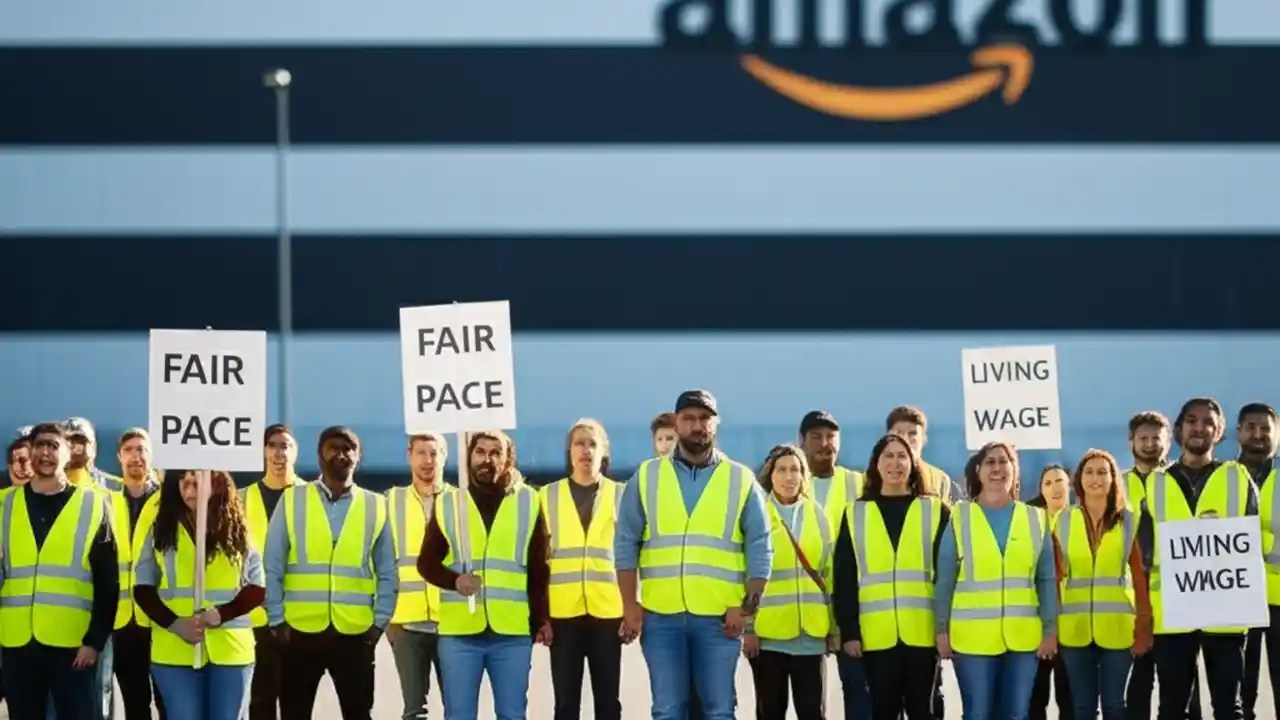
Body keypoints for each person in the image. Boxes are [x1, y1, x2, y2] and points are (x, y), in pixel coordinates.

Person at [615, 389, 773, 720]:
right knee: (668, 709)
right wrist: (630, 605)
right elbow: (625, 543)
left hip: (719, 620)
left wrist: (746, 610)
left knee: (719, 711)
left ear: (716, 424)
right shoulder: (646, 477)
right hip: (661, 617)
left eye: (705, 418)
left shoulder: (740, 479)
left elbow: (760, 545)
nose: (697, 425)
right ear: (676, 422)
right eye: (689, 418)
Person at [265, 426, 398, 720]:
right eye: (333, 448)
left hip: (355, 633)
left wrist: (378, 622)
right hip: (299, 632)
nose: (341, 454)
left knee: (358, 713)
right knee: (293, 714)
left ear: (358, 456)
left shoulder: (377, 505)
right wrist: (276, 619)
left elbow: (388, 570)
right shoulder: (292, 499)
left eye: (348, 448)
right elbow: (272, 564)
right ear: (319, 455)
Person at [418, 430, 551, 720]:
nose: (486, 459)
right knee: (460, 715)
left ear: (507, 459)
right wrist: (455, 581)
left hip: (512, 633)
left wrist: (542, 618)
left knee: (512, 715)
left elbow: (539, 568)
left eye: (495, 453)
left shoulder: (529, 501)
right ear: (469, 457)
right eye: (480, 452)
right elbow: (426, 563)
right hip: (460, 634)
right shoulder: (450, 502)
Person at [1139, 397, 1258, 720]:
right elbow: (1144, 551)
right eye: (1192, 420)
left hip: (1226, 609)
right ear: (1179, 430)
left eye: (1209, 422)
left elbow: (1252, 540)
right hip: (1173, 611)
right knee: (1173, 707)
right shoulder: (1156, 482)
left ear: (1219, 432)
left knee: (1227, 707)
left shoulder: (1237, 478)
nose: (1200, 427)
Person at [0, 421, 119, 720]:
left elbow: (108, 580)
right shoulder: (4, 504)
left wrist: (95, 641)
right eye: (39, 445)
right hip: (17, 643)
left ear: (68, 454)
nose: (45, 452)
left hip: (73, 645)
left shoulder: (93, 504)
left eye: (53, 445)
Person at [935, 441, 1058, 720]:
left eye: (1005, 462)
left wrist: (1050, 629)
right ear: (978, 470)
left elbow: (1046, 579)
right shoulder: (960, 516)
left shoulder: (1035, 517)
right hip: (971, 639)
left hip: (1024, 637)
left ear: (1015, 471)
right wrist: (941, 629)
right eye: (990, 462)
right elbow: (945, 579)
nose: (998, 468)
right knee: (978, 713)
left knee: (1016, 713)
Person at [132, 469, 265, 719]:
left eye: (197, 482)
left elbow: (257, 587)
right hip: (174, 650)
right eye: (184, 482)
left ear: (216, 484)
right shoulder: (161, 529)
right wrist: (175, 624)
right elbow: (142, 588)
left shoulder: (237, 530)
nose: (189, 490)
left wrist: (222, 614)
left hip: (230, 650)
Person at [836, 433, 947, 720]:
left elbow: (948, 575)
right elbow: (844, 577)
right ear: (875, 464)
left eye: (902, 456)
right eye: (888, 455)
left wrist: (944, 628)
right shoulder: (856, 512)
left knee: (924, 711)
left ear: (913, 463)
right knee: (883, 711)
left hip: (923, 634)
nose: (895, 463)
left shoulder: (935, 510)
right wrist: (849, 631)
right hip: (876, 636)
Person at [1056, 449, 1152, 720]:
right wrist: (1051, 626)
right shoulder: (1062, 521)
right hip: (1074, 631)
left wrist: (1143, 625)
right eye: (1089, 472)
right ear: (1079, 479)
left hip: (1119, 629)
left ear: (1113, 479)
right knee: (1083, 708)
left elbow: (1141, 577)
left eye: (1102, 472)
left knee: (1114, 706)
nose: (1095, 478)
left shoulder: (1130, 522)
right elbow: (1051, 578)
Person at [539, 420, 625, 720]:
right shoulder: (547, 497)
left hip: (608, 612)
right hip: (563, 615)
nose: (586, 450)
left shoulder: (621, 496)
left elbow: (632, 558)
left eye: (592, 444)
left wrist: (631, 606)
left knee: (608, 702)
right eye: (579, 443)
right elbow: (539, 562)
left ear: (604, 452)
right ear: (569, 451)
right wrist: (541, 616)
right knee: (565, 703)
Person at [744, 444, 834, 720]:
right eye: (781, 470)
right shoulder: (757, 514)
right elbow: (743, 575)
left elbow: (829, 574)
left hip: (811, 634)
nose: (789, 476)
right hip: (769, 636)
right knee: (770, 712)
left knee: (812, 713)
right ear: (770, 475)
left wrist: (834, 626)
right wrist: (749, 627)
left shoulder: (817, 514)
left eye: (795, 469)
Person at [797, 410, 869, 720]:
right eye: (816, 437)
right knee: (811, 702)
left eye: (831, 437)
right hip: (805, 610)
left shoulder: (859, 483)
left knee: (858, 692)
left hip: (851, 607)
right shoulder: (790, 482)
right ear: (802, 441)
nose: (825, 444)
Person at [386, 432, 451, 720]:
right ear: (409, 456)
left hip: (452, 622)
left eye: (434, 453)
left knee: (458, 708)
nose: (428, 460)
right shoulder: (390, 501)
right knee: (414, 711)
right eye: (421, 453)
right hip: (406, 623)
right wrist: (386, 617)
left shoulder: (460, 501)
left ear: (444, 457)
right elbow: (381, 562)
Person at [241, 424, 303, 720]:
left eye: (286, 446)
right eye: (273, 445)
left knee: (296, 702)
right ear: (263, 451)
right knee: (260, 702)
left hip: (298, 616)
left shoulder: (312, 496)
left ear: (296, 452)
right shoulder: (240, 499)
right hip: (254, 617)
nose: (279, 453)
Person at [108, 429, 167, 720]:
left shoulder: (168, 502)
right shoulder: (105, 501)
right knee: (135, 705)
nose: (136, 456)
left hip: (160, 617)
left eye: (142, 449)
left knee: (168, 702)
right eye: (129, 449)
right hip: (122, 621)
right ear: (119, 457)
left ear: (151, 455)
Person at [1237, 403, 1279, 720]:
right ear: (1238, 433)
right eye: (1251, 427)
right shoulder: (1222, 478)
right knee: (1239, 687)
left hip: (1279, 600)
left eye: (1265, 428)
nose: (1258, 434)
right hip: (1237, 599)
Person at [1027, 465, 1074, 720]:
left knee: (1071, 698)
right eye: (1048, 483)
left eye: (1059, 481)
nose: (1055, 486)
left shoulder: (1081, 520)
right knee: (1036, 697)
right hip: (1040, 625)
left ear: (1070, 486)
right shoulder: (1032, 525)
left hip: (1073, 625)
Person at [885, 405, 958, 503]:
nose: (905, 439)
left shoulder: (940, 479)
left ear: (924, 439)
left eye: (912, 433)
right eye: (899, 433)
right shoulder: (871, 476)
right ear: (888, 437)